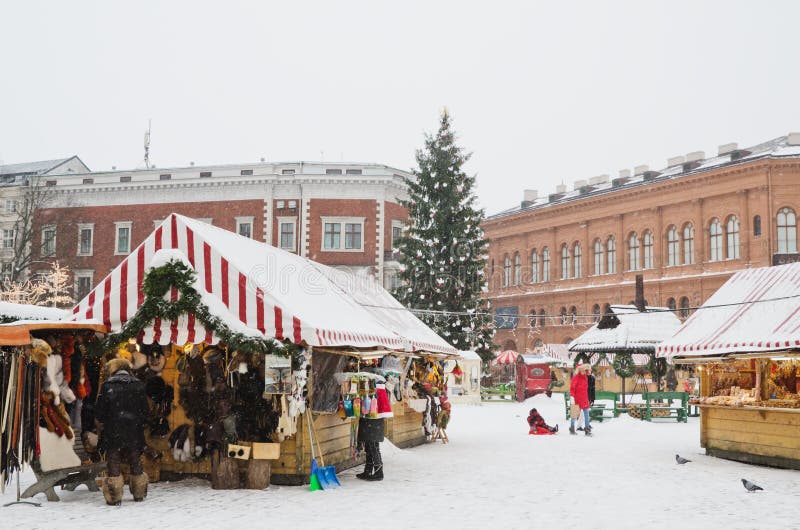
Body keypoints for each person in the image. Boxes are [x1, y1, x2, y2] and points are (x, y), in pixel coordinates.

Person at [94, 358, 150, 505]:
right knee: (135, 461)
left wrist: (108, 420)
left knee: (114, 462)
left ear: (113, 370)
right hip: (134, 431)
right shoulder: (138, 385)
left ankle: (114, 496)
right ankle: (139, 493)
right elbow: (145, 412)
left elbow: (99, 413)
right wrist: (137, 423)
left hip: (113, 431)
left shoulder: (107, 386)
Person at [569, 362, 592, 436]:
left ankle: (587, 429)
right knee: (574, 415)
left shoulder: (585, 377)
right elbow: (572, 389)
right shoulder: (576, 378)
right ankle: (572, 428)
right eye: (584, 370)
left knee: (586, 415)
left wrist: (588, 398)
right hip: (576, 399)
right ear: (580, 370)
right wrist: (572, 397)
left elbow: (585, 389)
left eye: (586, 370)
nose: (586, 371)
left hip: (584, 399)